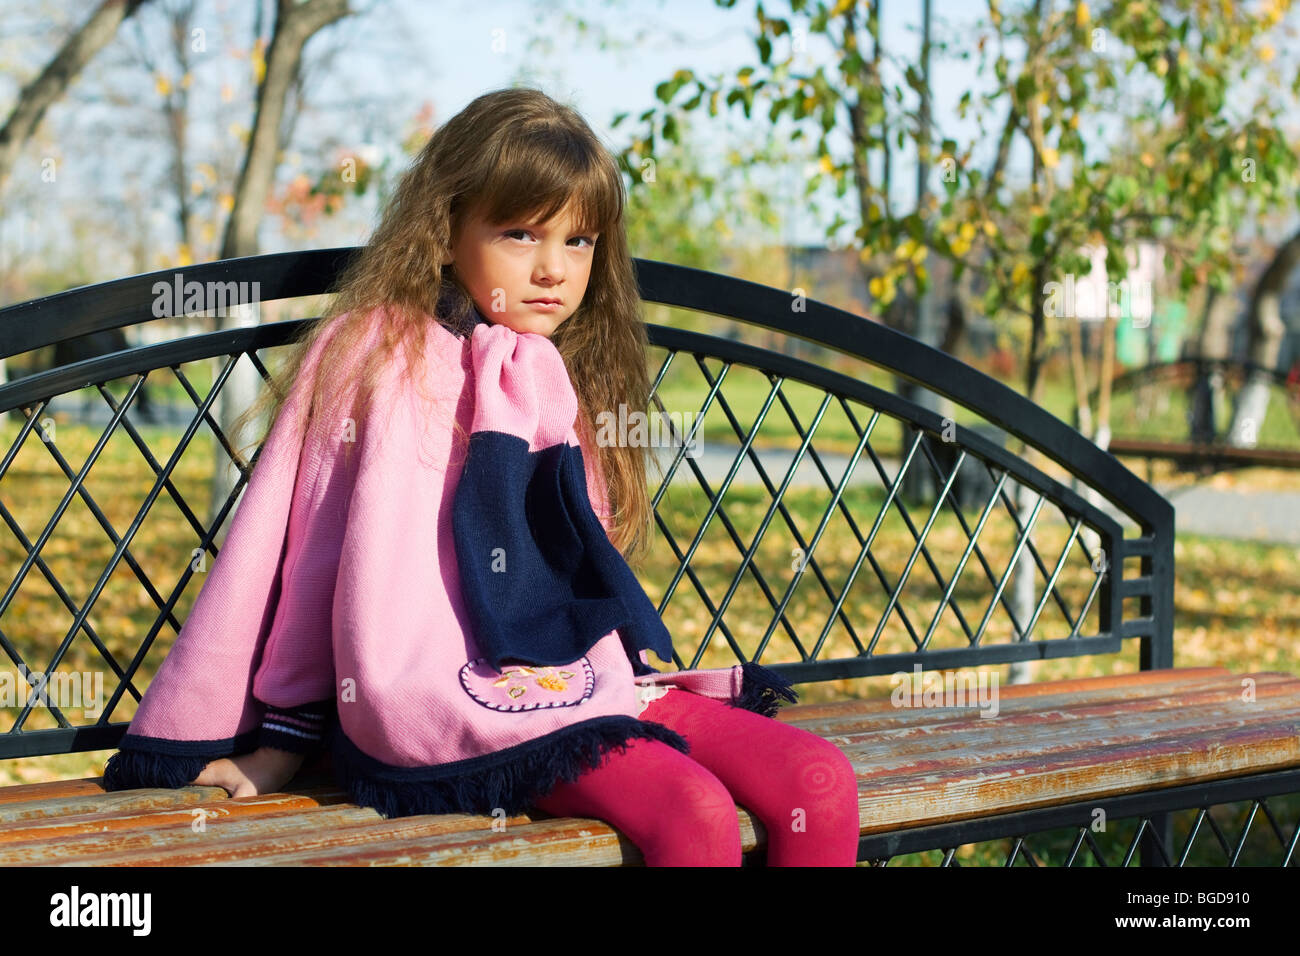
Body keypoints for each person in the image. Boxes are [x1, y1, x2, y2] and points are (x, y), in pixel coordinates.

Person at [104, 86, 859, 867]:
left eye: (579, 241)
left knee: (820, 779)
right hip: (443, 693)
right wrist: (285, 742)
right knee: (692, 812)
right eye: (520, 232)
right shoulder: (379, 353)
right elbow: (315, 557)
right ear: (444, 229)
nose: (552, 269)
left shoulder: (551, 371)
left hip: (586, 676)